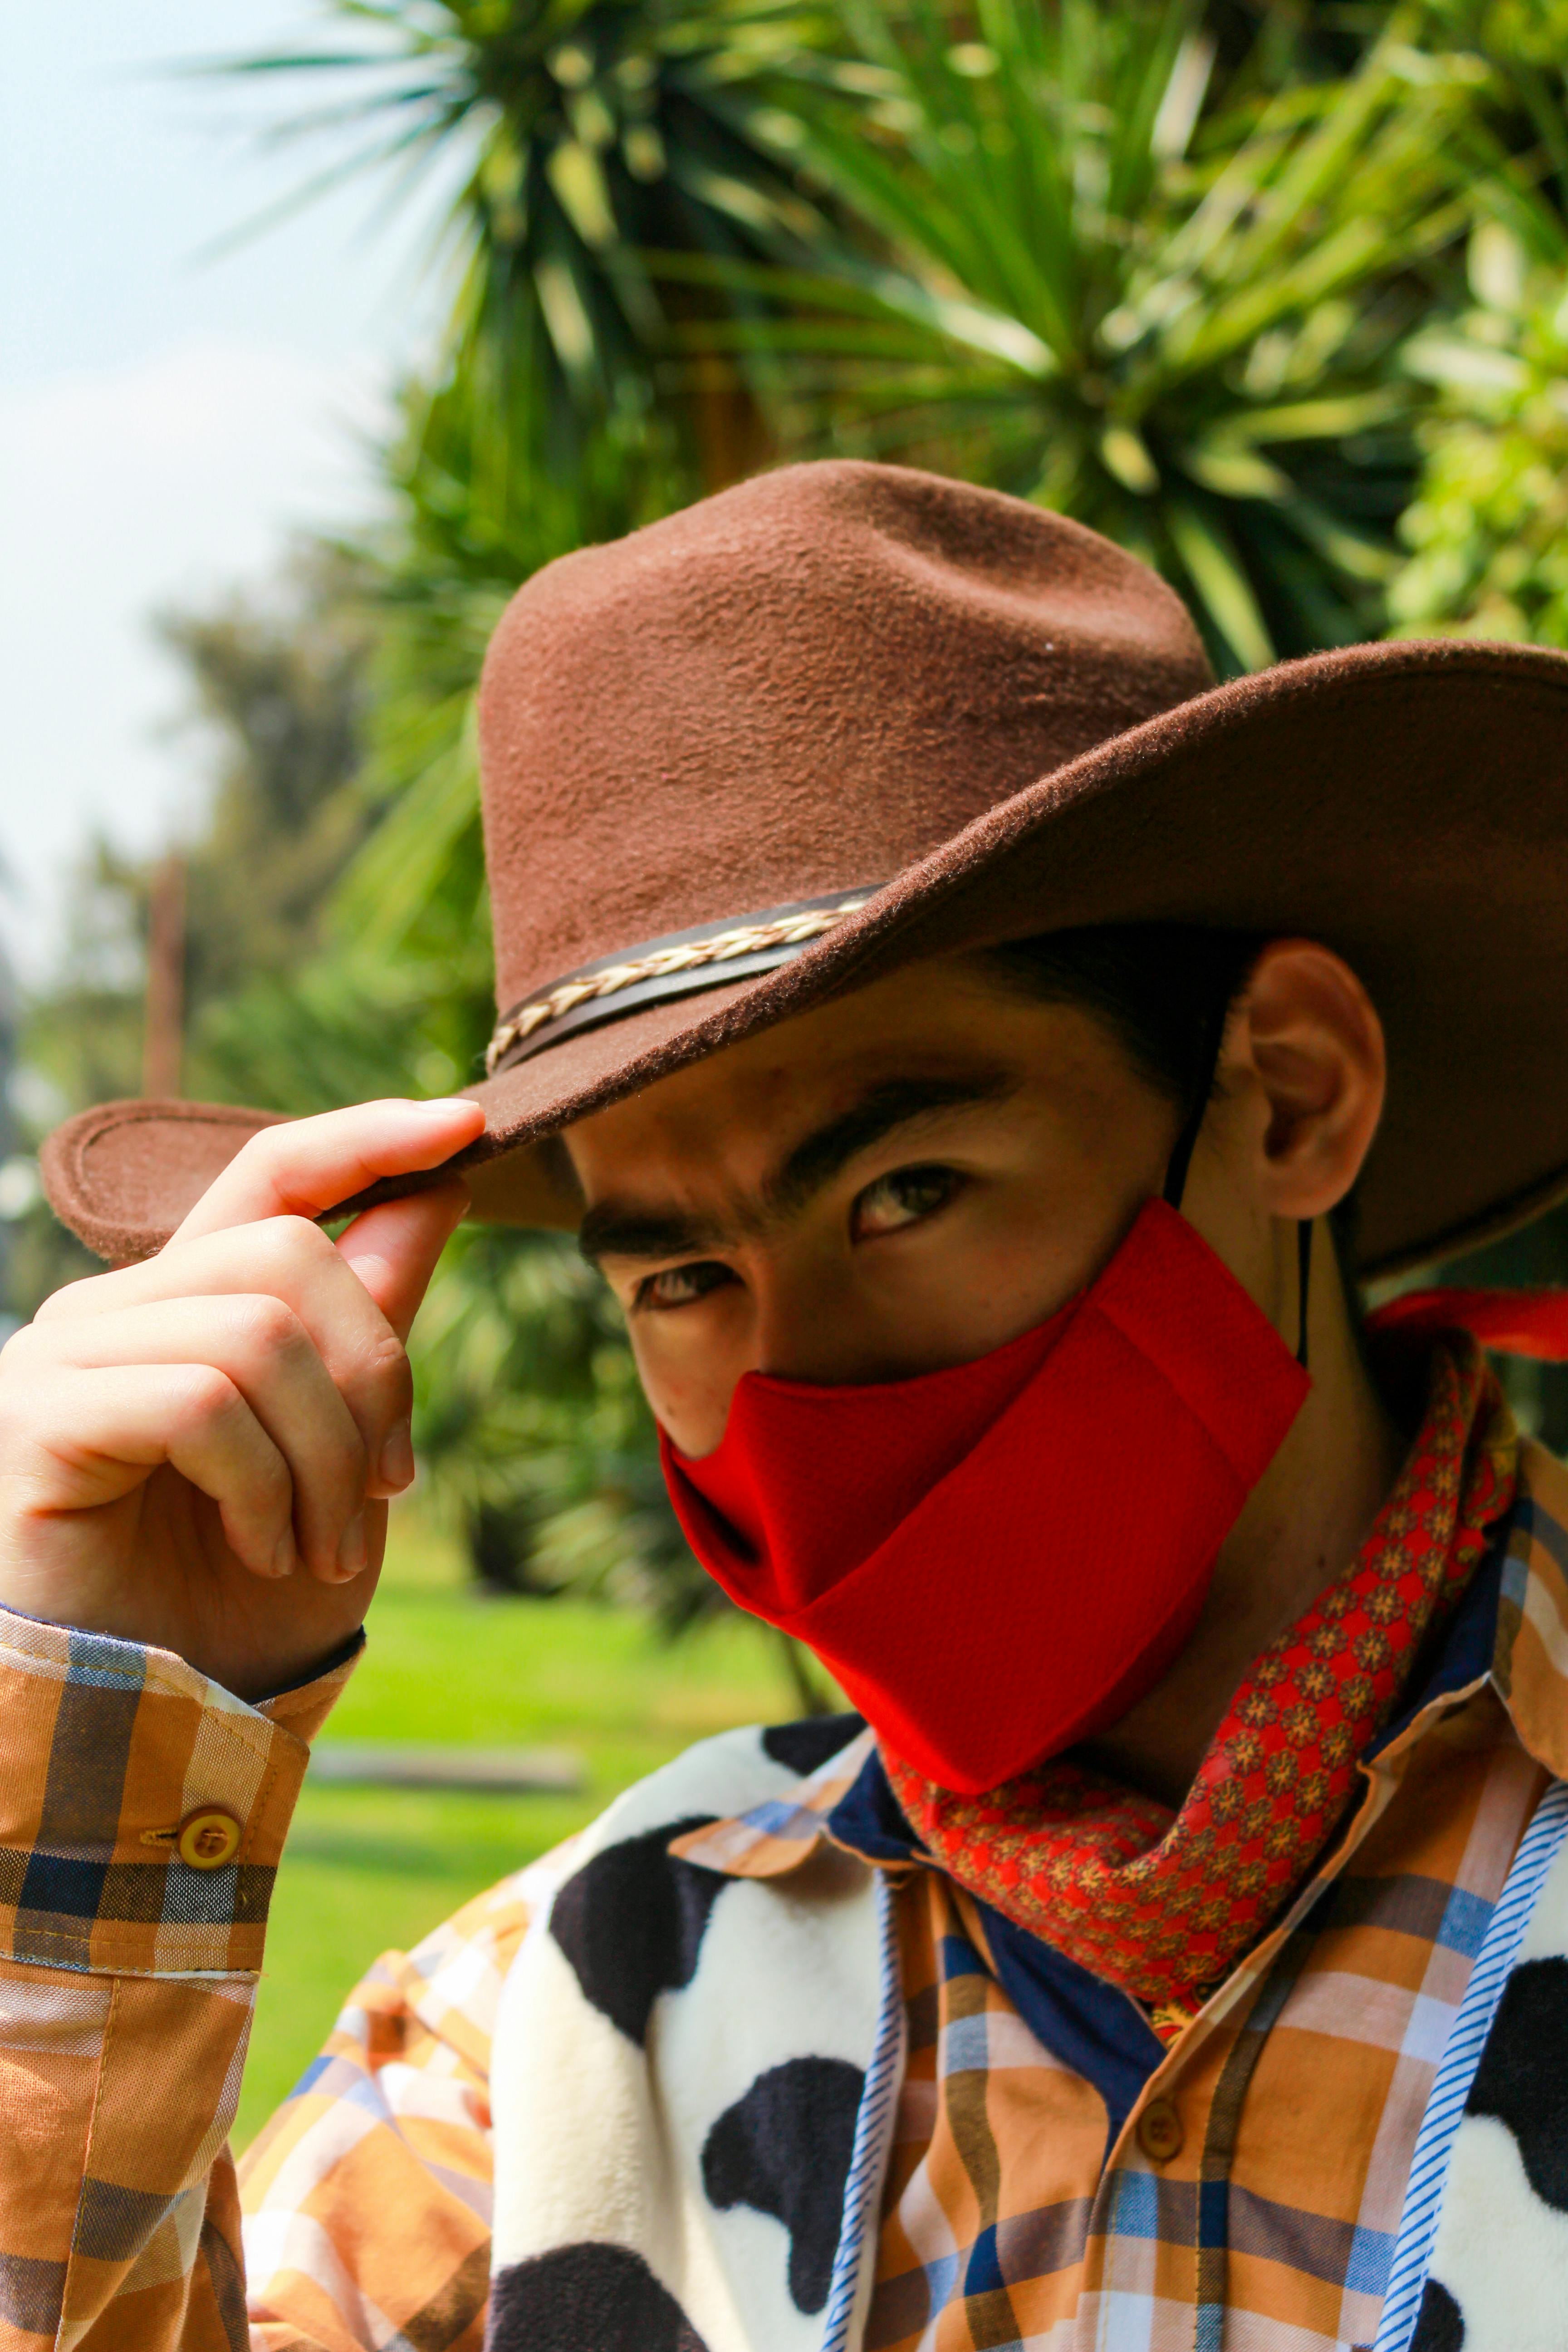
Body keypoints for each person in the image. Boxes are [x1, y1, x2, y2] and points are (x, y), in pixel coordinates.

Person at [10, 461, 1568, 2352]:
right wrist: (98, 1743)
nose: (800, 1385)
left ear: (1293, 1093)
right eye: (678, 1278)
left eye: (904, 1193)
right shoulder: (571, 2025)